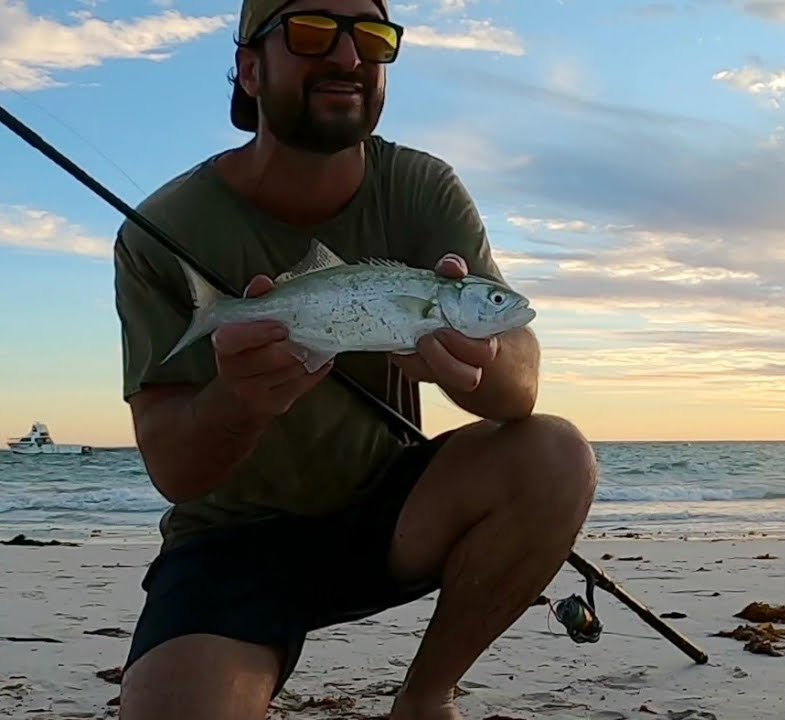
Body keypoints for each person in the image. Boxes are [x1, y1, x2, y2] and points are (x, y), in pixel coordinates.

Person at [110, 0, 598, 717]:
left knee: (557, 454)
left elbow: (519, 378)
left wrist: (479, 361)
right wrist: (238, 403)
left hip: (390, 512)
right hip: (228, 543)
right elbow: (175, 470)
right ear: (248, 67)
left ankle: (426, 697)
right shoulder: (162, 232)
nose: (347, 58)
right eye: (311, 32)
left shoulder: (423, 187)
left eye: (371, 37)